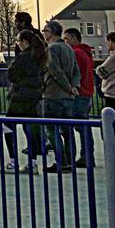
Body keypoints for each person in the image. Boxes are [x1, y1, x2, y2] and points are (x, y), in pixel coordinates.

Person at [40, 21, 81, 172]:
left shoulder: (51, 48)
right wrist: (74, 87)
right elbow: (76, 70)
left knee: (51, 129)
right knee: (68, 131)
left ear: (51, 32)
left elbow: (55, 71)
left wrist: (68, 87)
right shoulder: (68, 48)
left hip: (53, 94)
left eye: (45, 31)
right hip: (68, 97)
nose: (43, 33)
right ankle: (70, 161)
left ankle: (62, 162)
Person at [4, 30, 45, 171]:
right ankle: (33, 162)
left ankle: (13, 161)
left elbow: (11, 74)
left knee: (8, 127)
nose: (18, 44)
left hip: (20, 96)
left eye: (18, 41)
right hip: (34, 96)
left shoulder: (23, 57)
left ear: (25, 42)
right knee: (30, 129)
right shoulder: (39, 56)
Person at [61, 28, 96, 168]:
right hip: (86, 92)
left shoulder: (76, 53)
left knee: (80, 127)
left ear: (74, 38)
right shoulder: (86, 52)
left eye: (66, 39)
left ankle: (85, 156)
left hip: (79, 93)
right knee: (84, 126)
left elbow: (72, 73)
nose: (65, 42)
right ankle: (87, 155)